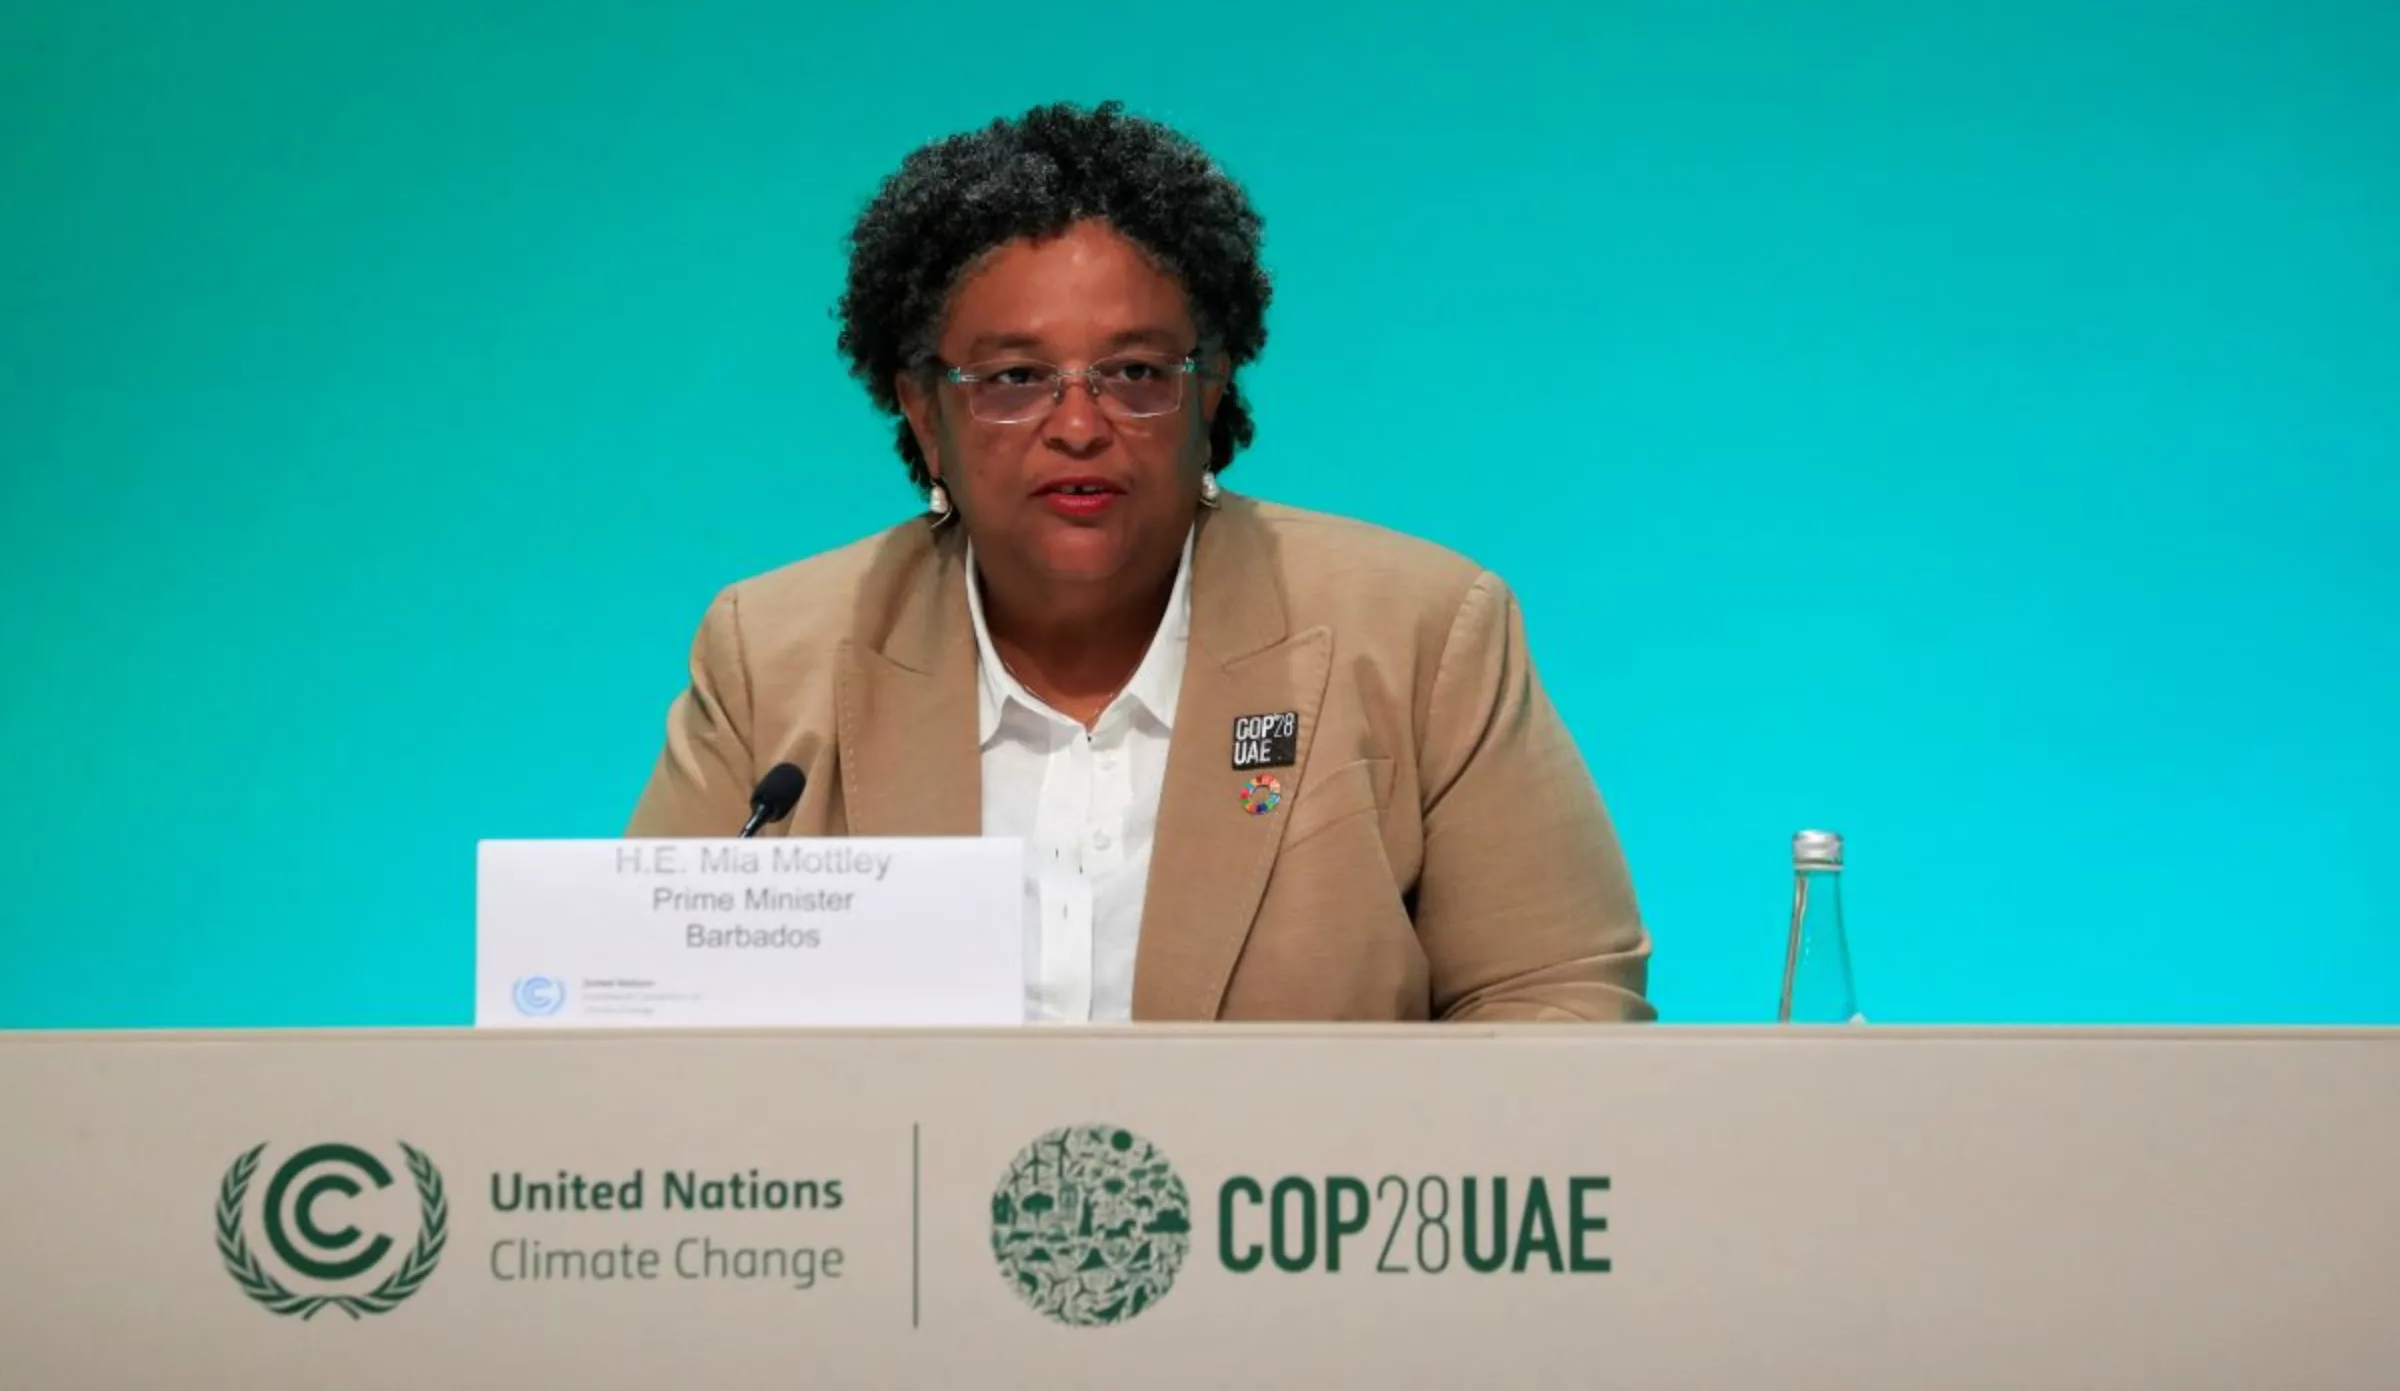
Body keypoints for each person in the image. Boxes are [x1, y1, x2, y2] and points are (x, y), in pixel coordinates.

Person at [626, 101, 1653, 1023]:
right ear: (923, 411)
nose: (1079, 423)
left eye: (1135, 372)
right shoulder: (774, 660)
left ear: (1209, 396)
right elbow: (631, 1019)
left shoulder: (1422, 634)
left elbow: (1554, 996)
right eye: (1016, 377)